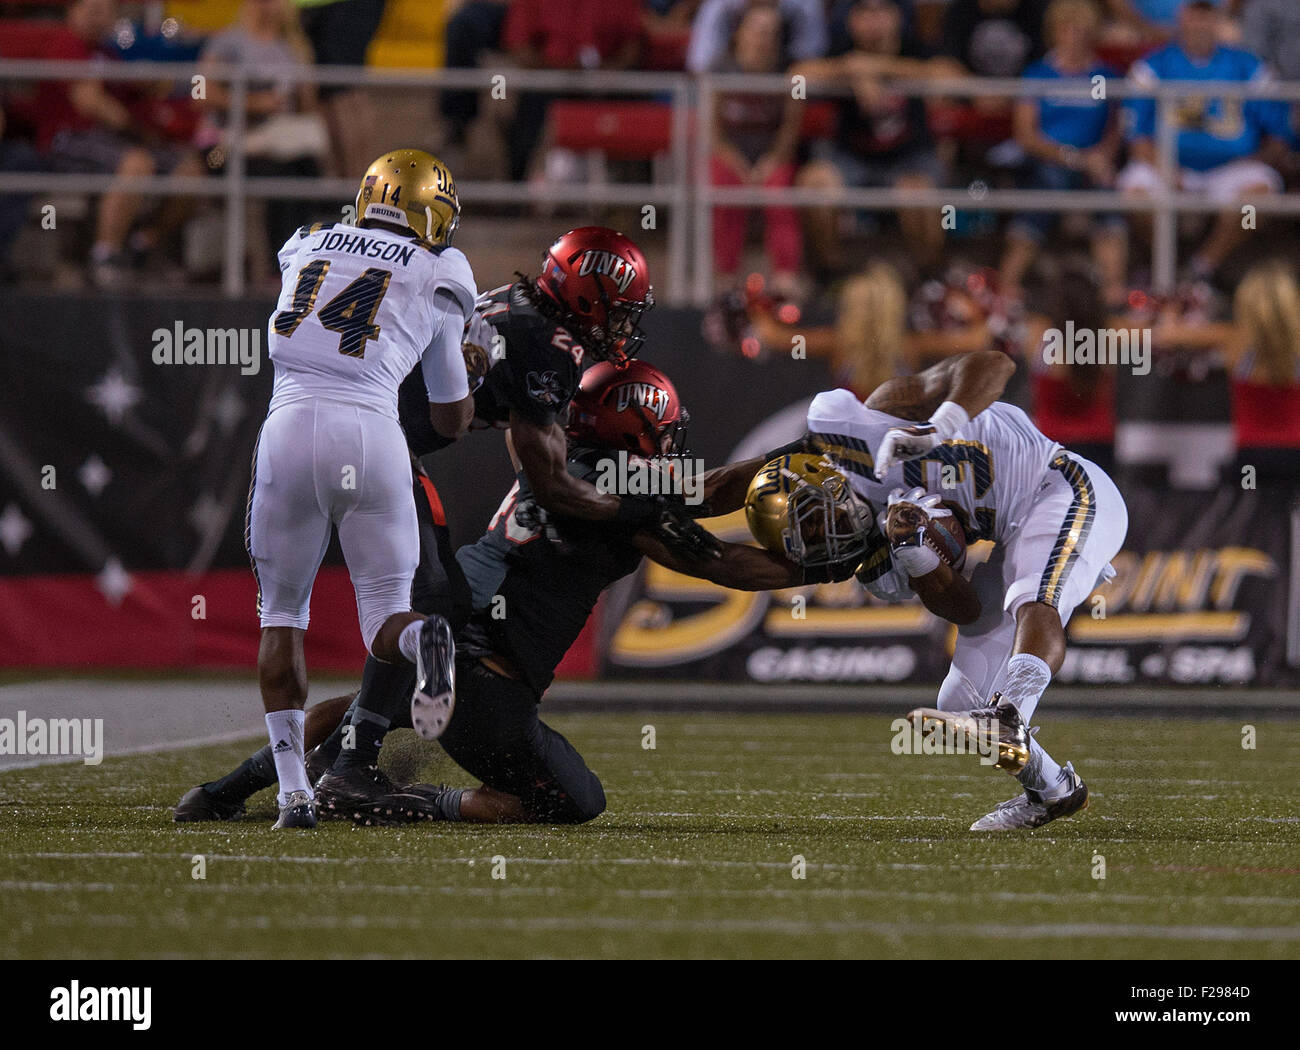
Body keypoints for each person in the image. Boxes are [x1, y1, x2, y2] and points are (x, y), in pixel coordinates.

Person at [178, 362, 834, 825]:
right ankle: (422, 803)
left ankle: (223, 791)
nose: (671, 447)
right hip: (490, 698)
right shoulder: (622, 502)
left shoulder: (551, 463)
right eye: (661, 433)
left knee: (359, 714)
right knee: (577, 799)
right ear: (634, 435)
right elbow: (728, 562)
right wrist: (826, 567)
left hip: (439, 633)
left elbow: (710, 486)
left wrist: (788, 454)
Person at [750, 349, 1129, 830]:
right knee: (960, 702)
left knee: (1035, 597)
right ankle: (1053, 789)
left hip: (1062, 486)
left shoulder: (870, 424)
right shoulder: (888, 537)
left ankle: (1009, 715)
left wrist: (941, 425)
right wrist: (917, 553)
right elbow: (969, 611)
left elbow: (996, 364)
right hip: (1013, 529)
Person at [246, 148, 477, 829]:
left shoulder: (306, 242)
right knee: (385, 617)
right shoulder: (442, 270)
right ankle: (425, 638)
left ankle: (294, 793)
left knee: (282, 613)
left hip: (288, 428)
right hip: (374, 437)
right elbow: (450, 417)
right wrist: (471, 361)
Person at [1117, 0, 1291, 284]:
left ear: (1218, 21)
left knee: (1255, 205)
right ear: (1181, 18)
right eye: (1195, 15)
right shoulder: (1152, 66)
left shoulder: (1248, 66)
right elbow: (1136, 136)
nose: (1200, 24)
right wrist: (1167, 172)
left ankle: (1201, 268)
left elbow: (1280, 133)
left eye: (1207, 16)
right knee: (1135, 194)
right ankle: (1167, 267)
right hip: (1168, 166)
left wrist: (1256, 160)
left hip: (1230, 169)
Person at [794, 0, 960, 275]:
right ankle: (829, 275)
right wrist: (849, 69)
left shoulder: (913, 48)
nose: (873, 19)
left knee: (917, 193)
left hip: (910, 158)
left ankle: (931, 276)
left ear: (898, 17)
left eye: (882, 10)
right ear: (851, 20)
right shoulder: (843, 50)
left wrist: (878, 67)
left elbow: (952, 77)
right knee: (814, 184)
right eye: (864, 11)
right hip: (850, 157)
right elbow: (797, 78)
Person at [999, 0, 1126, 307]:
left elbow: (1116, 128)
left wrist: (1102, 157)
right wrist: (1073, 157)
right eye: (1067, 29)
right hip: (1047, 160)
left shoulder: (1105, 76)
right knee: (1047, 185)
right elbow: (1026, 135)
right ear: (1054, 32)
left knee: (1107, 189)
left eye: (1082, 30)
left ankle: (1113, 288)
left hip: (1093, 161)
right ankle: (1006, 285)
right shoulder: (1038, 74)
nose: (1074, 37)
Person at [196, 0, 324, 278]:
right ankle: (276, 267)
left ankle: (294, 264)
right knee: (281, 175)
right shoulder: (227, 41)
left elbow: (307, 106)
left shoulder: (290, 46)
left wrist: (304, 64)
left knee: (306, 169)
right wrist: (254, 102)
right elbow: (199, 90)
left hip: (276, 143)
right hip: (223, 147)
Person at [710, 2, 805, 298]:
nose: (764, 38)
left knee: (780, 192)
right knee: (725, 188)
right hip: (730, 155)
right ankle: (725, 278)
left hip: (771, 156)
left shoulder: (789, 72)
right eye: (758, 30)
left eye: (771, 33)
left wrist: (770, 162)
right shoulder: (719, 69)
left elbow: (790, 130)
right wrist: (738, 165)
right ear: (740, 32)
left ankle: (785, 278)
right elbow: (711, 132)